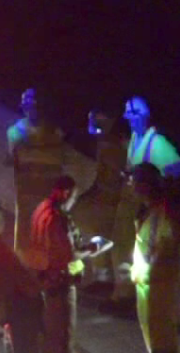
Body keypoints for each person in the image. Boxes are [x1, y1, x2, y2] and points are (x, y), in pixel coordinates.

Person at [101, 96, 180, 314]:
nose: (129, 118)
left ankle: (126, 297)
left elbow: (175, 171)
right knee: (120, 246)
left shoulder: (157, 143)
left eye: (134, 114)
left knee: (130, 249)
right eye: (127, 114)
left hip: (140, 205)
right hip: (130, 201)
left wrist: (157, 191)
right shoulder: (137, 138)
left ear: (145, 115)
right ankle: (121, 293)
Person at [27, 174, 96, 353]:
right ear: (66, 193)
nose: (74, 201)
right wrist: (88, 253)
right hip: (60, 283)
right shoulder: (58, 219)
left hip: (42, 281)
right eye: (74, 196)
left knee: (47, 334)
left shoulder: (40, 211)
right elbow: (67, 256)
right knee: (64, 336)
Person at [129, 162, 180, 353]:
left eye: (133, 182)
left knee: (159, 324)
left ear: (144, 185)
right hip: (147, 277)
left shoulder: (163, 211)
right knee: (148, 323)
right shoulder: (148, 209)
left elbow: (169, 240)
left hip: (158, 278)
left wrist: (152, 267)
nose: (130, 187)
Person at [70, 110, 127, 287]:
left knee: (95, 225)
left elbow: (111, 177)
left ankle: (106, 279)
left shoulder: (114, 144)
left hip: (111, 201)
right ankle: (100, 275)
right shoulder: (105, 143)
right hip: (103, 198)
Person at [7, 88, 66, 254]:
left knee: (46, 235)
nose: (31, 110)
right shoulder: (14, 132)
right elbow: (15, 160)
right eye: (28, 106)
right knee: (25, 238)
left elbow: (59, 159)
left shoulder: (54, 131)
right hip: (26, 192)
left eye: (34, 106)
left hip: (46, 192)